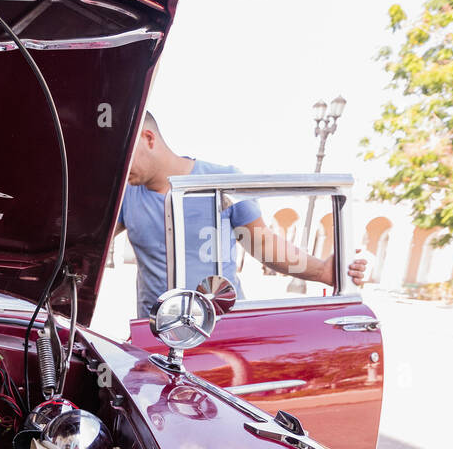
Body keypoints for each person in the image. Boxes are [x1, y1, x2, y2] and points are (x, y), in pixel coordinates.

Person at [116, 112, 368, 318]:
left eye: (123, 155)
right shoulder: (124, 195)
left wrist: (323, 271)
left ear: (148, 138)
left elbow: (263, 243)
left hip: (221, 328)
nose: (119, 165)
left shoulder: (222, 180)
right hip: (157, 335)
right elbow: (86, 246)